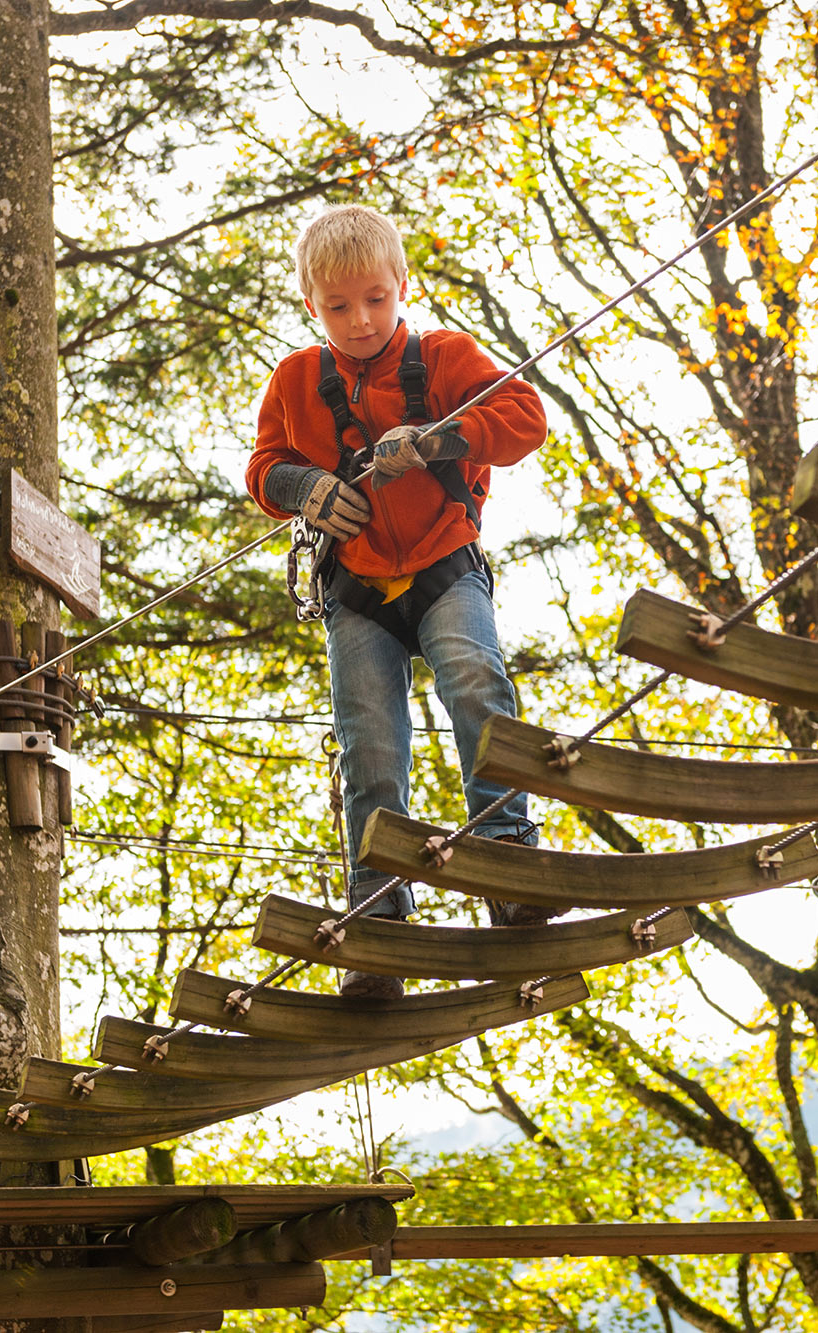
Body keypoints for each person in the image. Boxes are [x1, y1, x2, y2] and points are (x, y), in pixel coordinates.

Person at [246, 203, 549, 1000]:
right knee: (369, 744)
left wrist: (438, 438)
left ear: (402, 286)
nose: (359, 320)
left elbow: (524, 418)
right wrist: (305, 486)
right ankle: (380, 910)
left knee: (475, 682)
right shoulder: (295, 381)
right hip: (356, 589)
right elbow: (264, 469)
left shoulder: (443, 356)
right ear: (311, 305)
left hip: (444, 563)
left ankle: (508, 855)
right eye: (338, 306)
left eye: (375, 299)